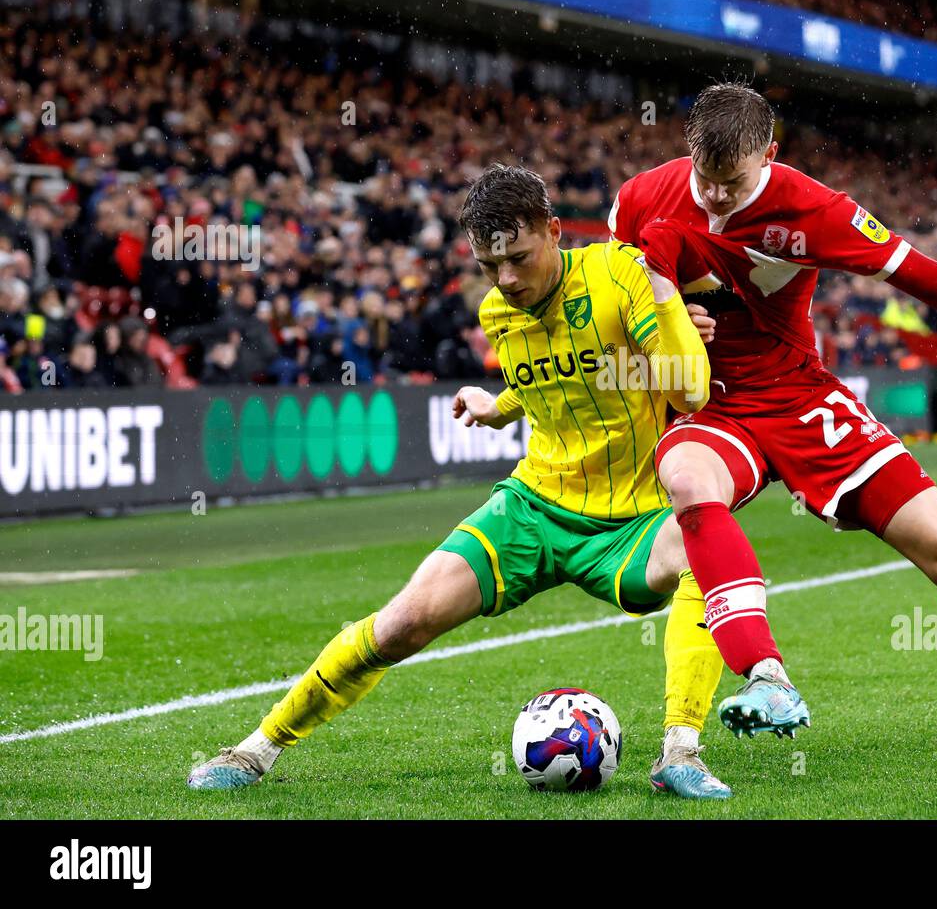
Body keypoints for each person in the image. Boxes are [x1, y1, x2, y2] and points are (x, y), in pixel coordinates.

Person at [609, 83, 937, 768]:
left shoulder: (814, 209)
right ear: (687, 150)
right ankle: (767, 677)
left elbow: (931, 279)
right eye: (704, 180)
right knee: (689, 482)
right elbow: (613, 306)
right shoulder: (638, 199)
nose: (713, 197)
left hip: (801, 398)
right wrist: (666, 325)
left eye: (731, 183)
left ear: (770, 155)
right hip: (710, 404)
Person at [188, 165, 735, 799]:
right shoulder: (498, 311)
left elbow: (688, 391)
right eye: (488, 264)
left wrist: (672, 330)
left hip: (633, 519)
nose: (505, 279)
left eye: (519, 258)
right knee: (404, 621)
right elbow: (562, 378)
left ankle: (680, 751)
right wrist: (498, 405)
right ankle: (257, 749)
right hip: (532, 508)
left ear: (556, 231)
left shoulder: (618, 275)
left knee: (705, 549)